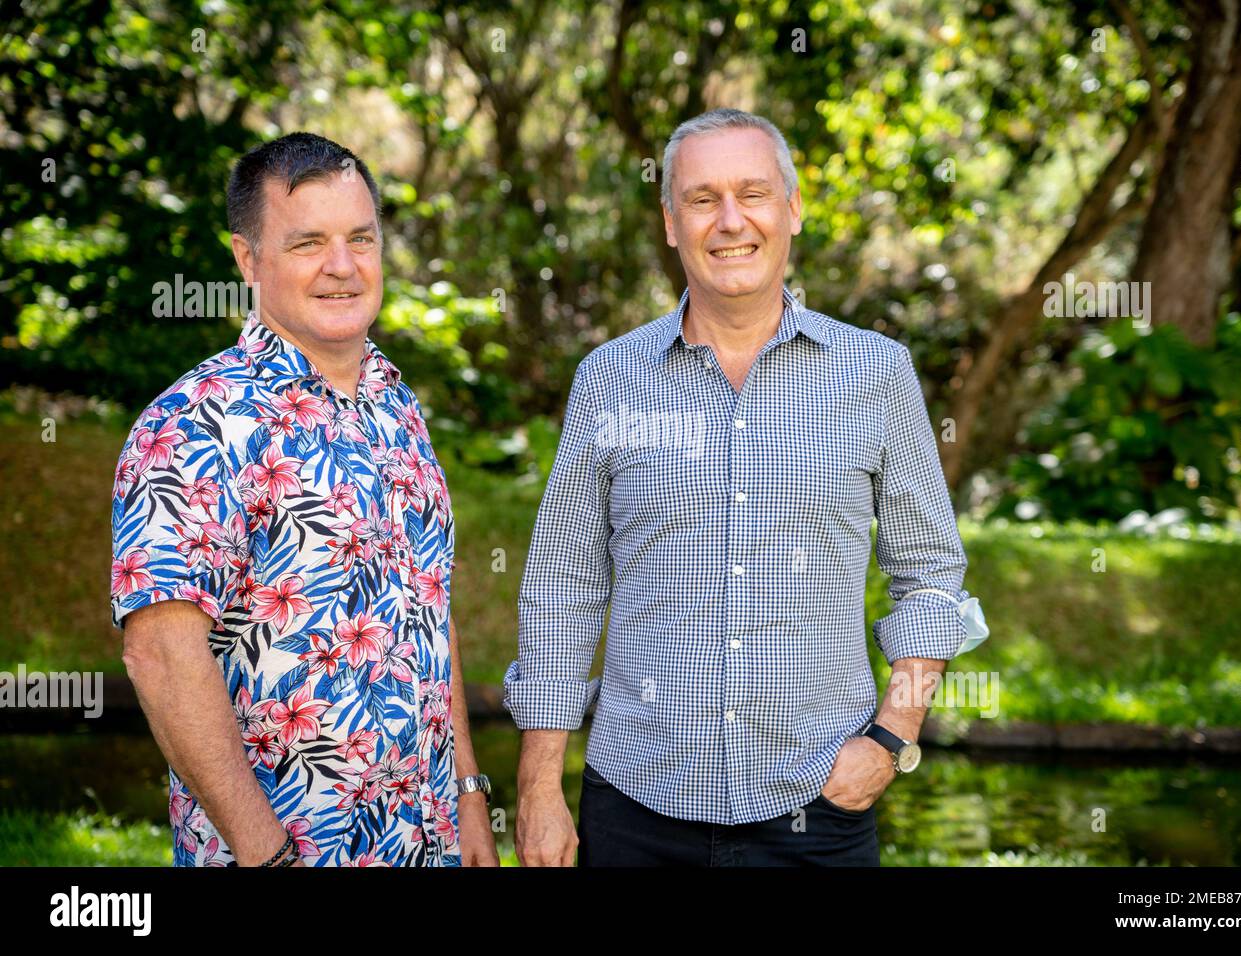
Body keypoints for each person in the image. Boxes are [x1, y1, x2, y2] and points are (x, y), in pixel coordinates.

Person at [504, 108, 988, 866]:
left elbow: (930, 574)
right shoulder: (608, 380)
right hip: (634, 810)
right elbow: (563, 586)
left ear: (792, 209)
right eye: (702, 199)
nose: (731, 221)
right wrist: (537, 790)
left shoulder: (878, 374)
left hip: (817, 814)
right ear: (671, 223)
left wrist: (893, 737)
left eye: (753, 193)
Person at [110, 132, 497, 867]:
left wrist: (470, 794)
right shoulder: (197, 422)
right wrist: (266, 857)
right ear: (247, 260)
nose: (343, 267)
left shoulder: (397, 406)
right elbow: (160, 654)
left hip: (429, 845)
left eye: (361, 238)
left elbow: (428, 616)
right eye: (308, 243)